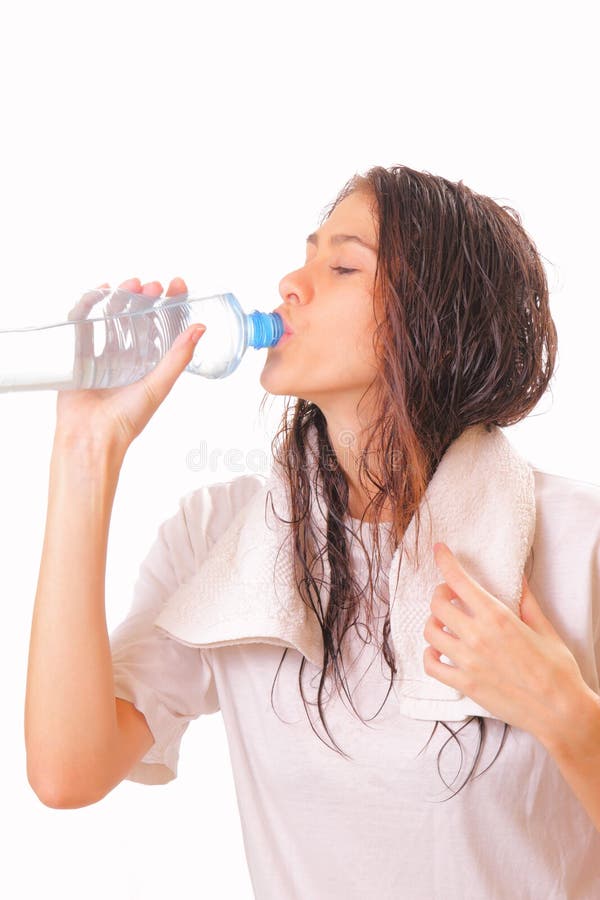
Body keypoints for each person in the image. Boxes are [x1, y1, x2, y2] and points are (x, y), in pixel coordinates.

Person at [25, 165, 600, 898]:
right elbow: (68, 770)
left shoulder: (577, 542)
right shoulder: (221, 539)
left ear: (439, 323)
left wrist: (566, 714)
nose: (290, 284)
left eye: (342, 266)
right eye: (305, 257)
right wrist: (86, 449)